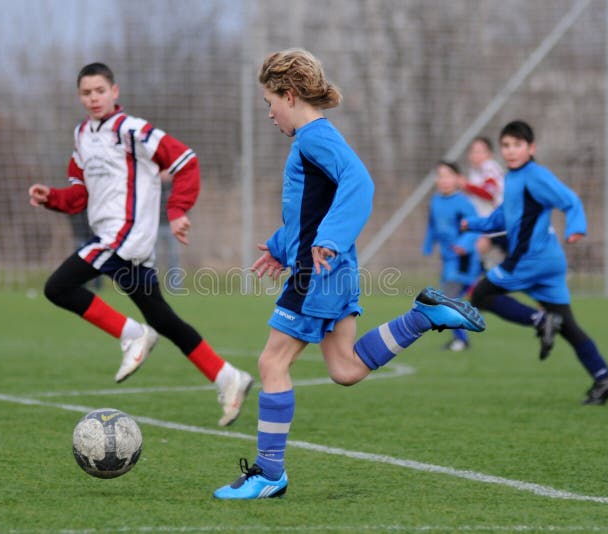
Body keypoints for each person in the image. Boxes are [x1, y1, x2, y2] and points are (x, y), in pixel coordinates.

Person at [212, 49, 486, 500]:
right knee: (344, 368)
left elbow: (361, 183)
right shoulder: (316, 139)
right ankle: (423, 315)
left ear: (290, 94)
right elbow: (310, 211)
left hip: (317, 272)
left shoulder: (312, 138)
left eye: (269, 102)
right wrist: (283, 245)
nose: (269, 113)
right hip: (331, 268)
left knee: (271, 363)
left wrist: (330, 241)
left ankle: (268, 473)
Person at [28, 62, 253, 427]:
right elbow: (78, 195)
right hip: (117, 240)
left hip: (125, 235)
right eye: (86, 93)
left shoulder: (132, 130)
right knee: (162, 317)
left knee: (58, 286)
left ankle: (132, 335)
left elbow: (185, 160)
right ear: (79, 96)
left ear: (114, 92)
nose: (93, 98)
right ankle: (228, 377)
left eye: (100, 90)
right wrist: (50, 197)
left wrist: (178, 209)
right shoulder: (82, 136)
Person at [462, 120, 608, 406]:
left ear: (531, 147)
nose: (511, 151)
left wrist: (576, 228)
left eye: (517, 145)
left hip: (530, 259)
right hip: (548, 261)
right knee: (568, 326)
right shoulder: (512, 178)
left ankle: (541, 321)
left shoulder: (535, 176)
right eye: (506, 145)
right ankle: (604, 378)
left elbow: (570, 201)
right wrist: (471, 223)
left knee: (481, 293)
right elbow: (501, 218)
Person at [422, 160, 481, 352]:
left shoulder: (463, 203)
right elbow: (432, 225)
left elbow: (474, 227)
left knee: (447, 299)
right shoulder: (435, 201)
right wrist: (428, 244)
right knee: (448, 300)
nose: (444, 180)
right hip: (448, 259)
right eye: (440, 176)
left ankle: (462, 339)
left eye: (448, 175)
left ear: (457, 179)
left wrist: (464, 244)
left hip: (464, 259)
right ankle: (461, 338)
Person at [462, 136, 506, 267]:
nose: (476, 155)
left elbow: (489, 193)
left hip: (499, 224)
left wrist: (466, 186)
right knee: (473, 253)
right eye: (473, 151)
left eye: (481, 151)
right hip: (488, 224)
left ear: (490, 154)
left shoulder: (489, 167)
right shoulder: (475, 171)